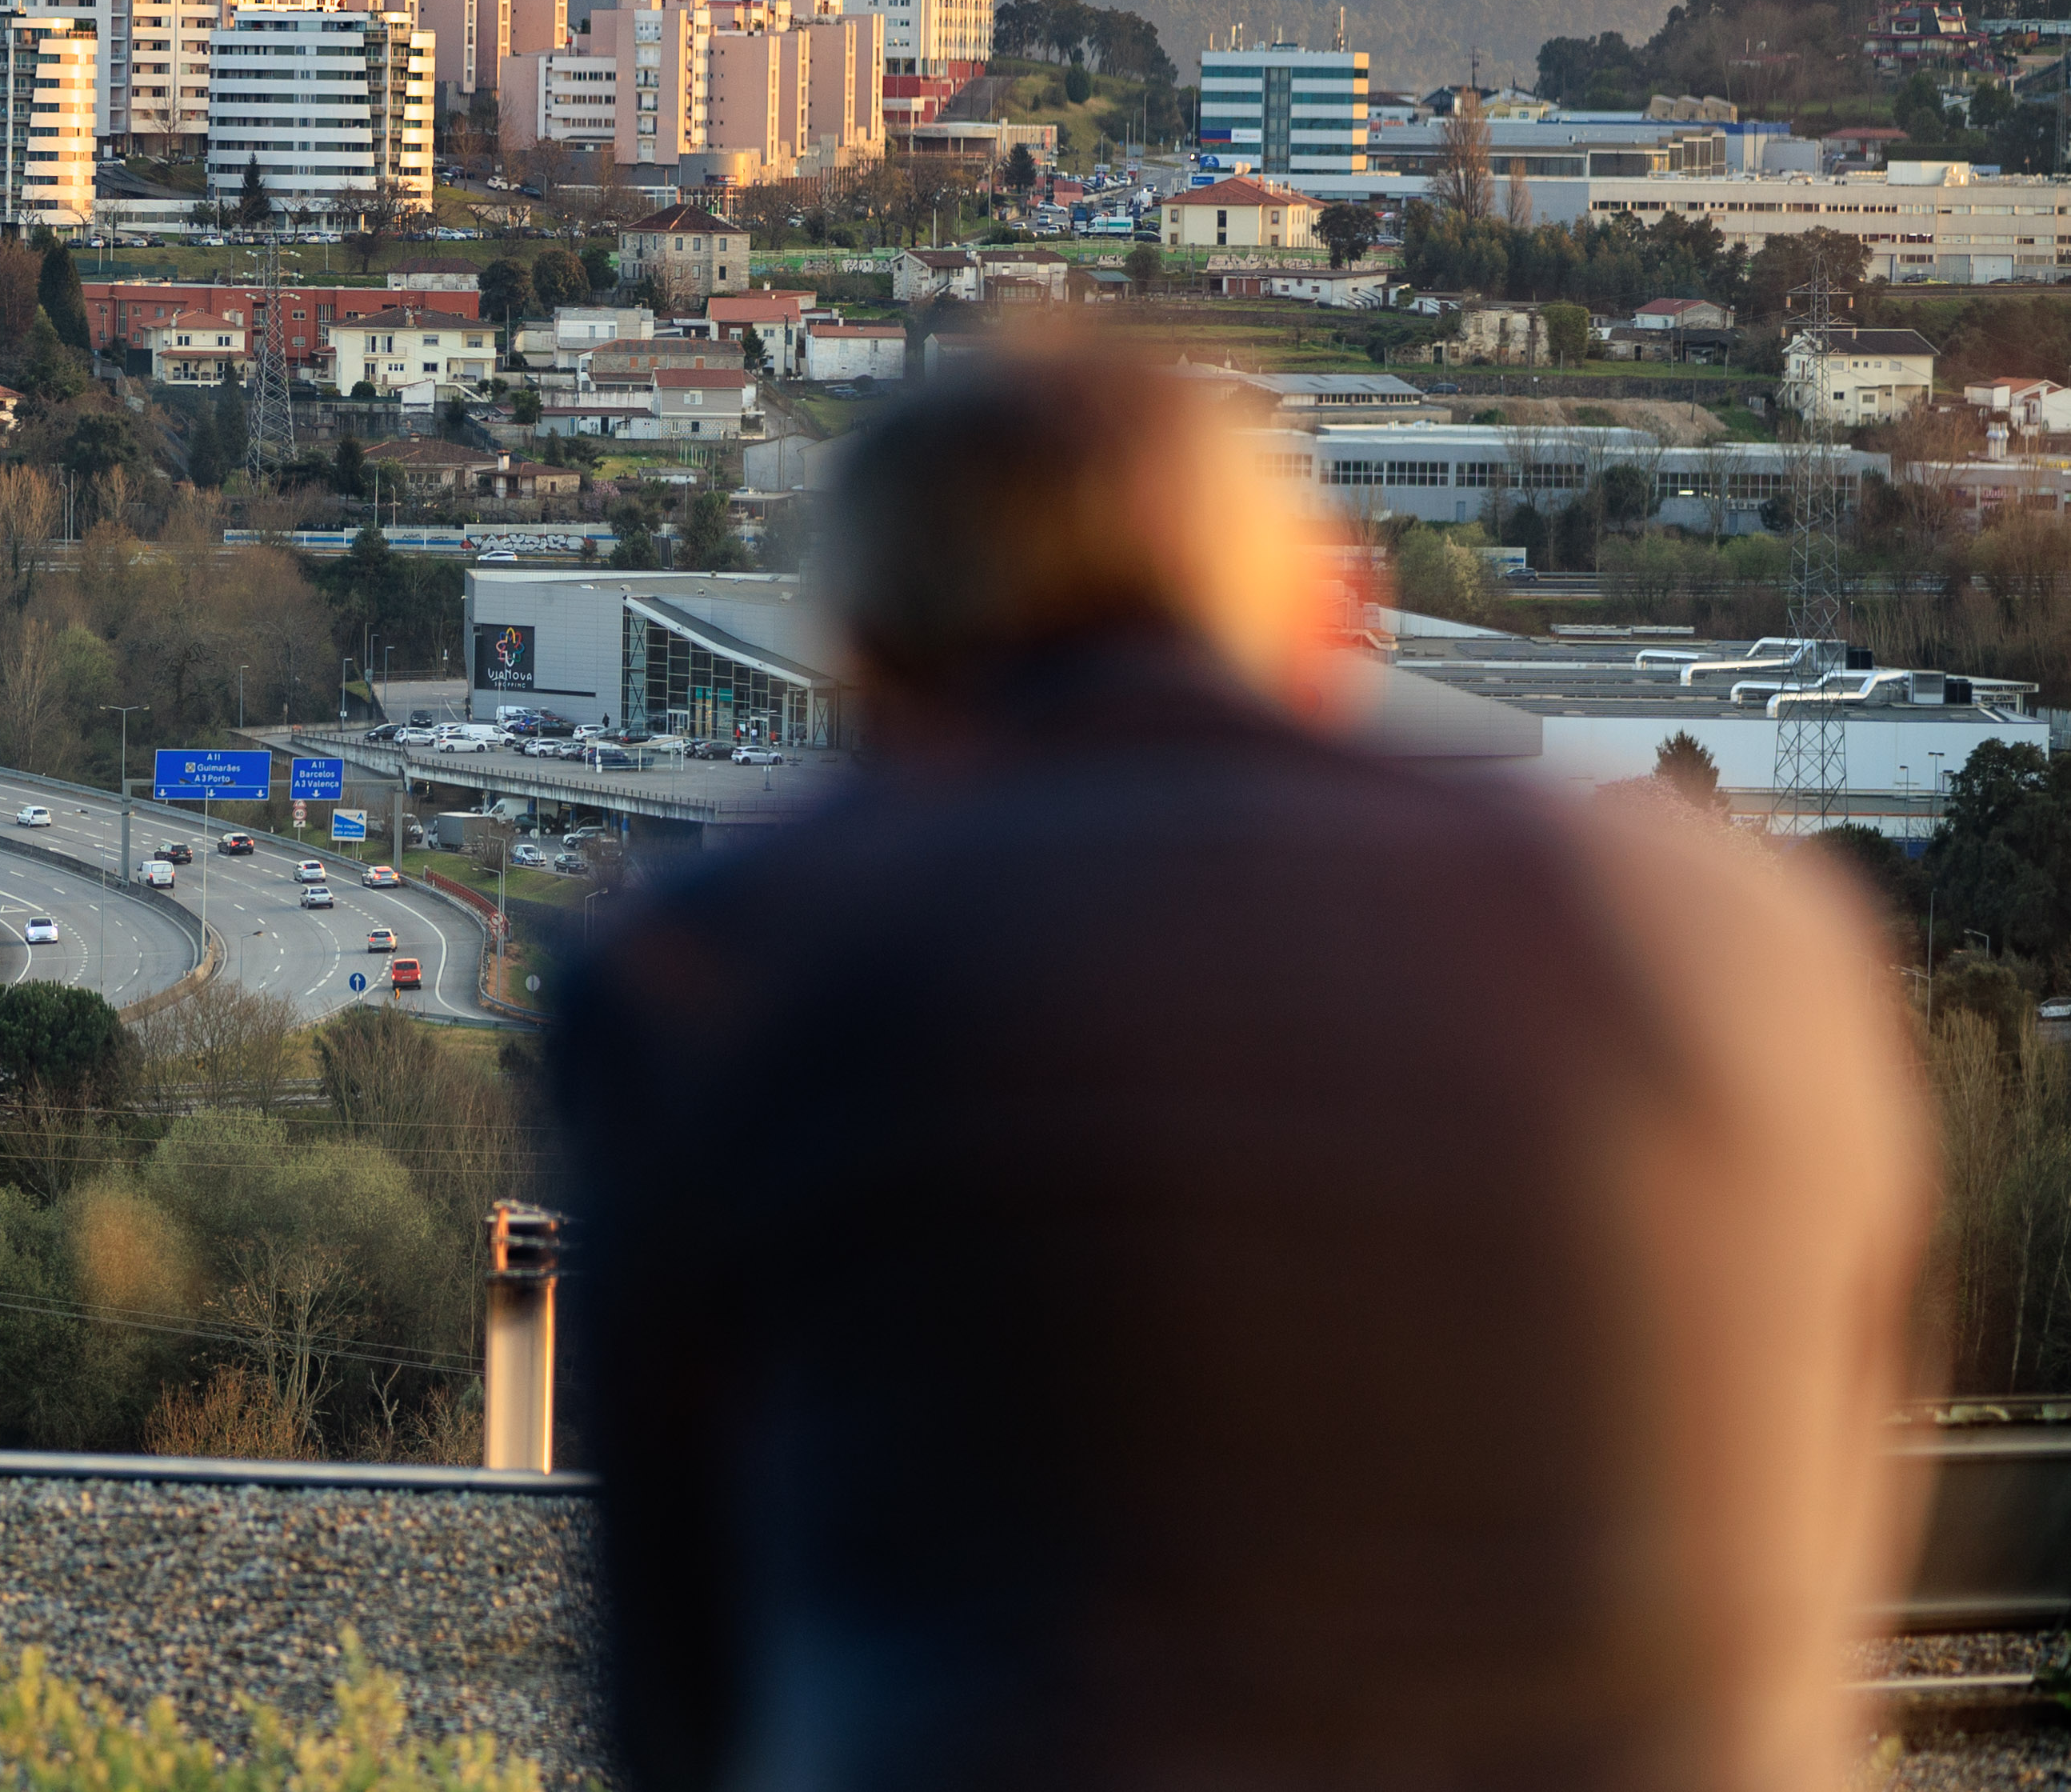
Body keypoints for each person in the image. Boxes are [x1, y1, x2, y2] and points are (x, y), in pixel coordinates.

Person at [555, 349, 1926, 1790]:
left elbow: (685, 1687)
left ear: (881, 676)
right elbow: (1822, 1544)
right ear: (1331, 625)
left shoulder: (723, 971)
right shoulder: (1743, 944)